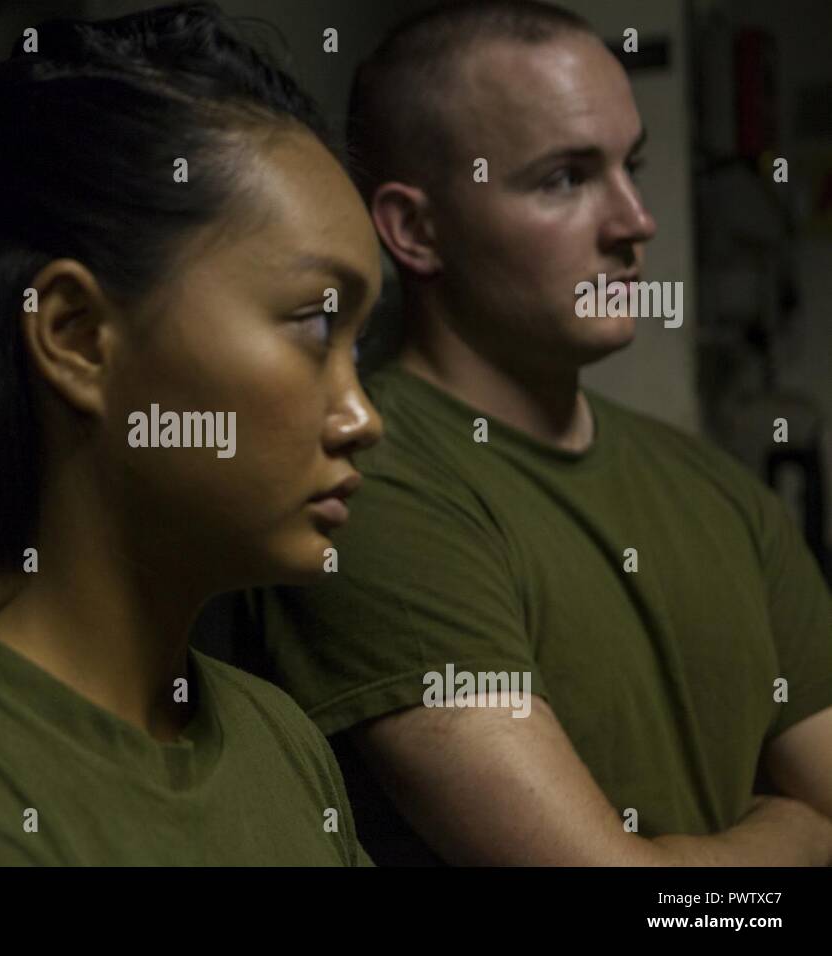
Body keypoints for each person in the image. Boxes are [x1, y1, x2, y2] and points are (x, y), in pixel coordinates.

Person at [0, 1, 384, 866]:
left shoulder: (274, 738)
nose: (362, 417)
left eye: (358, 345)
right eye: (311, 327)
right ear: (75, 337)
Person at [246, 0, 832, 865]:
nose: (636, 222)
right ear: (415, 229)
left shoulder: (721, 491)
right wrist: (795, 833)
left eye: (631, 166)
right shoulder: (358, 483)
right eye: (566, 178)